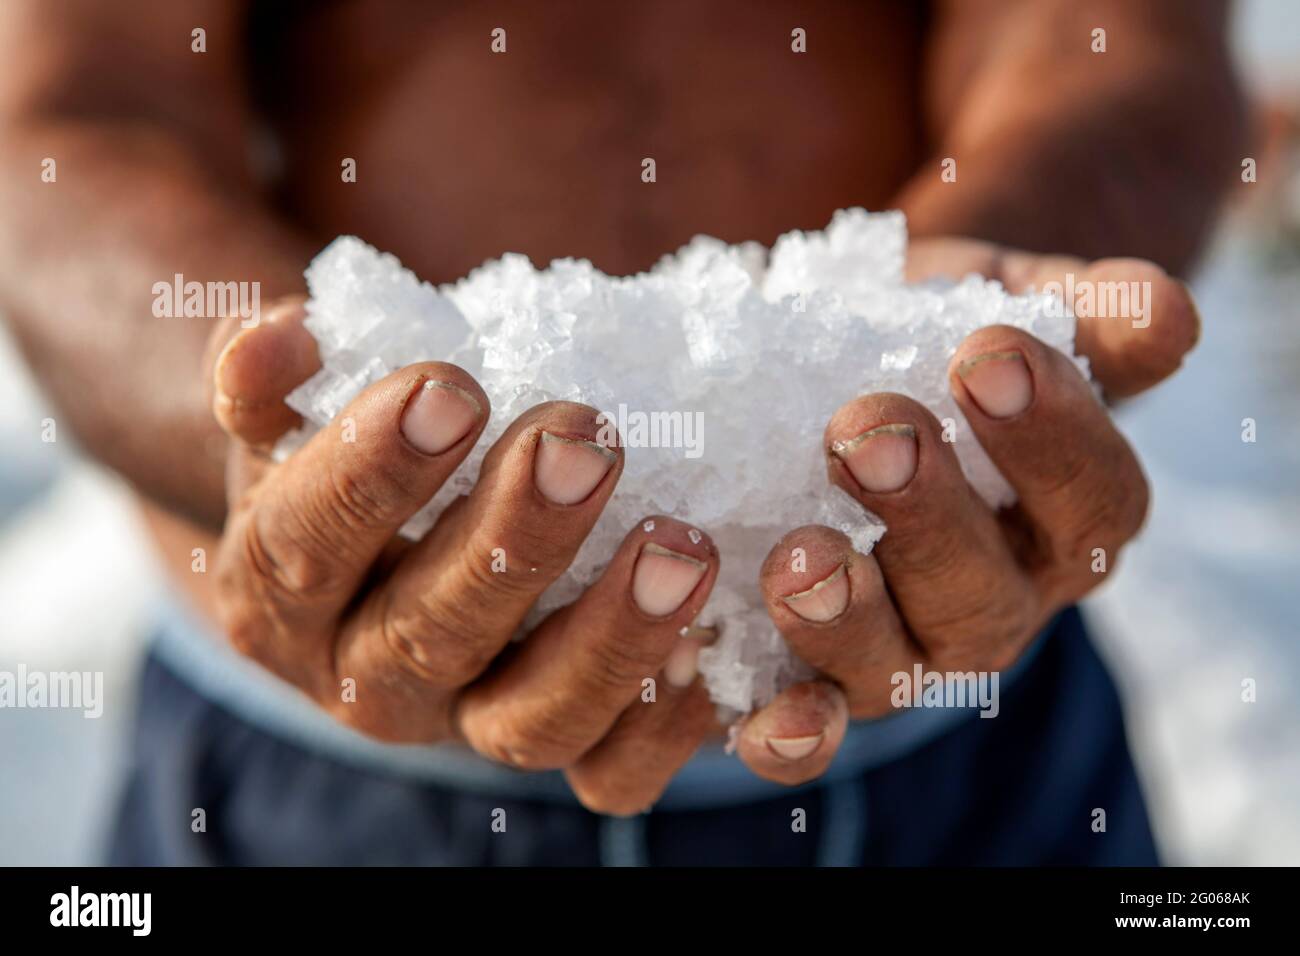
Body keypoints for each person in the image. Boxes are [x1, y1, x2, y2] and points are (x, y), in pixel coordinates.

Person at [0, 0, 1244, 865]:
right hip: (312, 785)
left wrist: (952, 333)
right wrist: (270, 441)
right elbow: (73, 119)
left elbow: (1114, 44)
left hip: (964, 760)